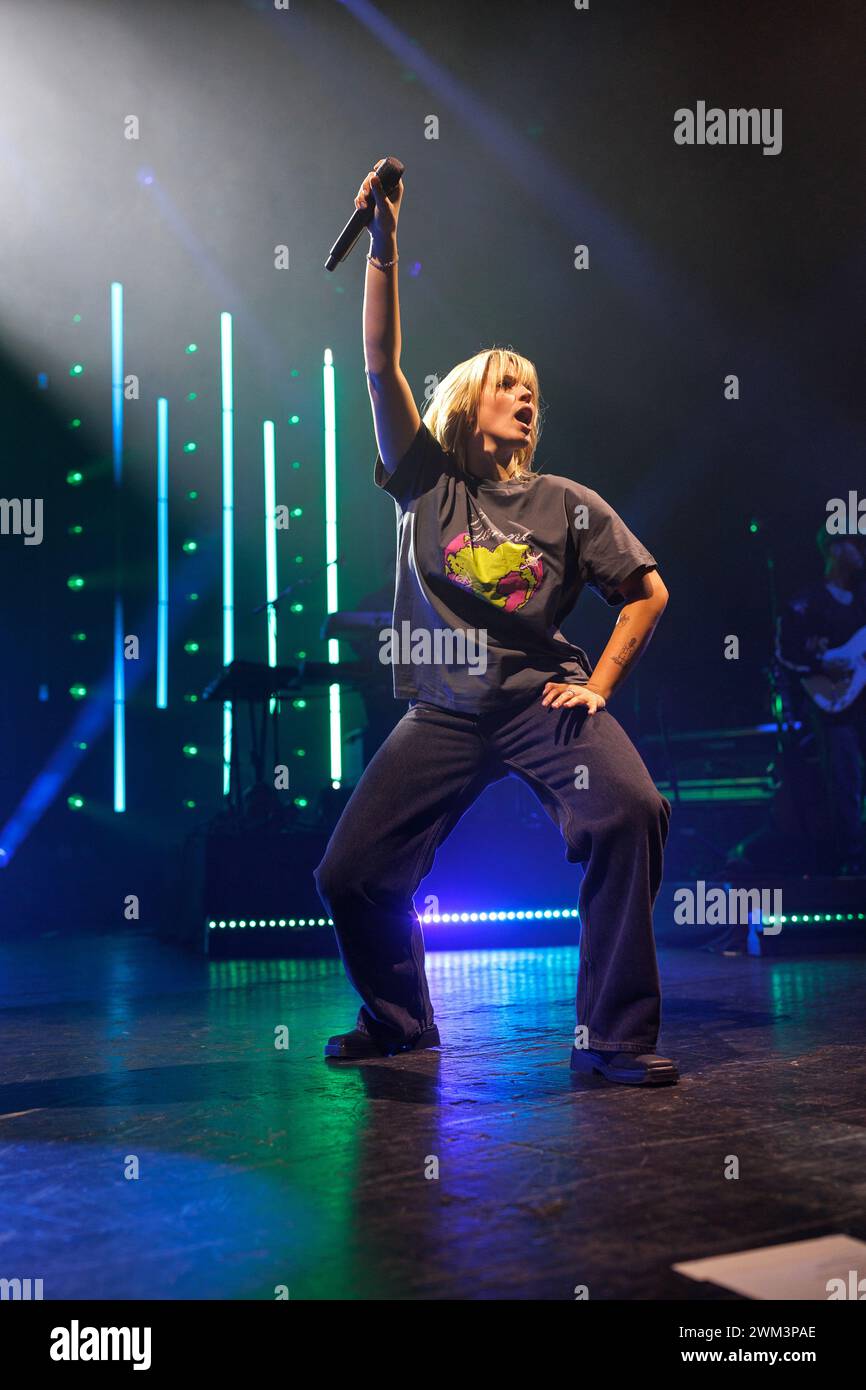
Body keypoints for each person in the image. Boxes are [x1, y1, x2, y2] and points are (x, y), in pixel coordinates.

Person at [314, 159, 677, 1086]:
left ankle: (615, 1037)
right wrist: (385, 246)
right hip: (442, 705)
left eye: (533, 391)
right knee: (349, 874)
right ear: (469, 401)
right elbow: (378, 361)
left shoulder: (566, 503)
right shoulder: (424, 479)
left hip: (535, 698)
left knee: (631, 810)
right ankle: (398, 1023)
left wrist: (595, 686)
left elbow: (647, 590)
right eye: (508, 384)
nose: (526, 397)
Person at [776, 528, 866, 874]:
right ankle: (851, 862)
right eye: (856, 543)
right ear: (835, 548)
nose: (861, 551)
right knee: (846, 782)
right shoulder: (807, 602)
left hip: (860, 703)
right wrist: (823, 662)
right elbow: (785, 652)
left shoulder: (861, 600)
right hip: (832, 707)